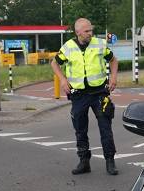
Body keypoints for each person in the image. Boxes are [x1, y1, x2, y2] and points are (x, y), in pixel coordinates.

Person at [51, 17, 120, 176]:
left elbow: (113, 60)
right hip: (79, 95)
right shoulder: (68, 47)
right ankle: (84, 162)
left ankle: (110, 161)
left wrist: (114, 77)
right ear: (78, 32)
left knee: (105, 127)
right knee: (80, 129)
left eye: (91, 30)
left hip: (99, 94)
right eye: (87, 31)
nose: (91, 33)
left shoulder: (99, 44)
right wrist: (62, 79)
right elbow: (54, 63)